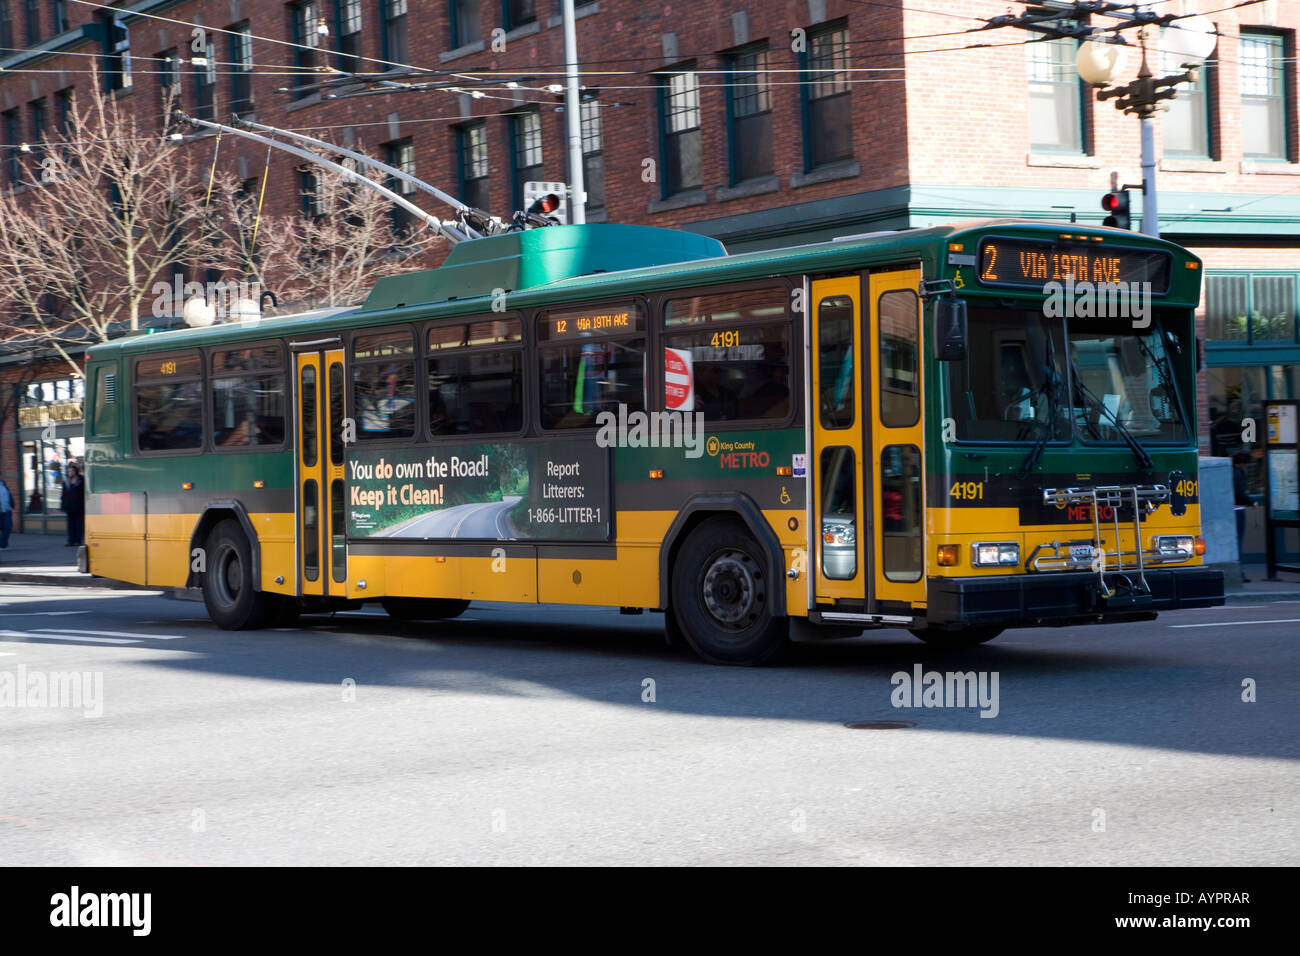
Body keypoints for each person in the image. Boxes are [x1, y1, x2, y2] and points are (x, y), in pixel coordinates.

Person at [1233, 451, 1254, 582]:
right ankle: (1241, 574)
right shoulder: (1238, 473)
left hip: (1230, 510)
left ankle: (1240, 573)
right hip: (1238, 510)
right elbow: (1239, 492)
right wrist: (1252, 501)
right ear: (1242, 463)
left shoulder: (1228, 471)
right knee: (1238, 542)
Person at [61, 463, 85, 547]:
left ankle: (78, 541)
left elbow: (84, 493)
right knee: (70, 525)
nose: (69, 473)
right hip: (69, 506)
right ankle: (71, 541)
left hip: (78, 506)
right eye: (68, 471)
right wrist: (63, 505)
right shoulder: (66, 481)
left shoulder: (81, 480)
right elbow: (63, 494)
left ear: (75, 471)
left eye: (71, 471)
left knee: (79, 524)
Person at [0, 479, 12, 550]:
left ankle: (3, 543)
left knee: (8, 527)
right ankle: (3, 544)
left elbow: (8, 496)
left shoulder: (4, 486)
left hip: (7, 510)